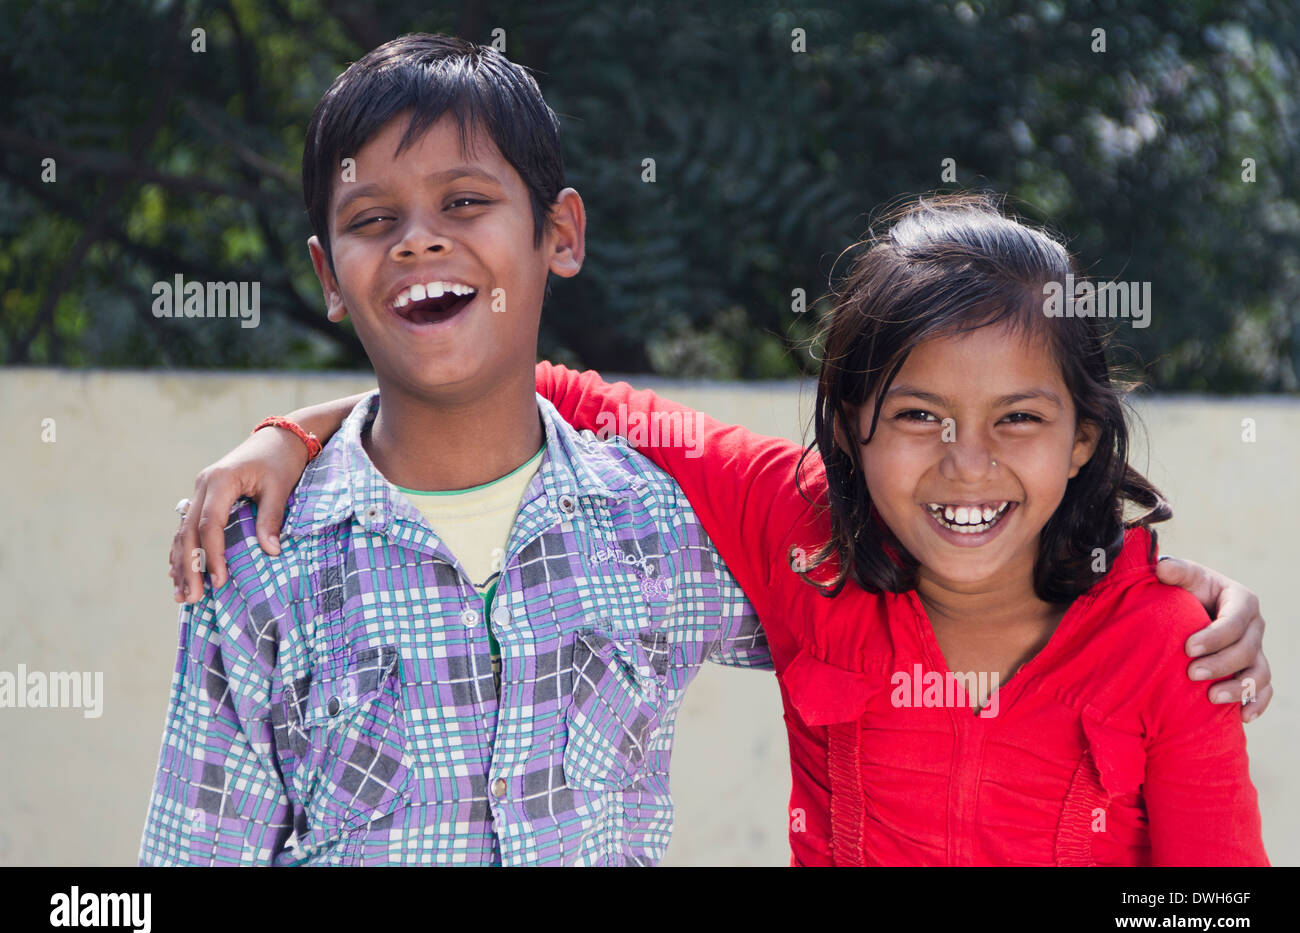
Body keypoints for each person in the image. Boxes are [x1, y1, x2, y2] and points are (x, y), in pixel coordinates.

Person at [175, 196, 1273, 865]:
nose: (966, 463)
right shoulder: (801, 532)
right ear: (850, 425)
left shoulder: (1172, 646)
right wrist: (299, 433)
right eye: (917, 417)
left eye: (1019, 421)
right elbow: (530, 389)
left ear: (1083, 436)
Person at [140, 34, 772, 868]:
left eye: (466, 202)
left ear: (561, 233)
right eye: (373, 220)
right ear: (330, 278)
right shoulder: (261, 560)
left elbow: (880, 611)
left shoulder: (659, 532)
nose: (417, 241)